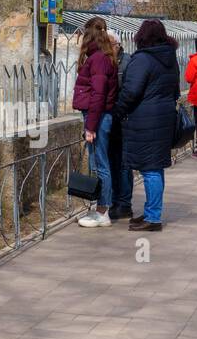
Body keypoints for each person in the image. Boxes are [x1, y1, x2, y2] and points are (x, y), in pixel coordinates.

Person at [113, 18, 179, 231]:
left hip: (145, 120)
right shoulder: (170, 58)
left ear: (142, 36)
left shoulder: (142, 59)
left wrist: (116, 112)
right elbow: (176, 91)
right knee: (155, 167)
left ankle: (153, 218)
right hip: (164, 117)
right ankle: (152, 211)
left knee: (150, 169)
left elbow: (131, 91)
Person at [71, 16, 119, 227]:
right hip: (98, 116)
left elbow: (98, 95)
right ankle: (101, 208)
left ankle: (103, 211)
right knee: (99, 164)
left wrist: (90, 127)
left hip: (98, 118)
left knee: (101, 165)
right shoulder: (102, 56)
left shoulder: (98, 59)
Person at [106, 34, 134, 221]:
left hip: (124, 120)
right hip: (110, 120)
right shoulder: (106, 62)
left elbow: (129, 91)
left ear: (117, 45)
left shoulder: (128, 62)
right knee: (112, 163)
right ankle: (115, 201)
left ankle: (124, 204)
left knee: (124, 164)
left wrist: (118, 109)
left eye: (110, 45)